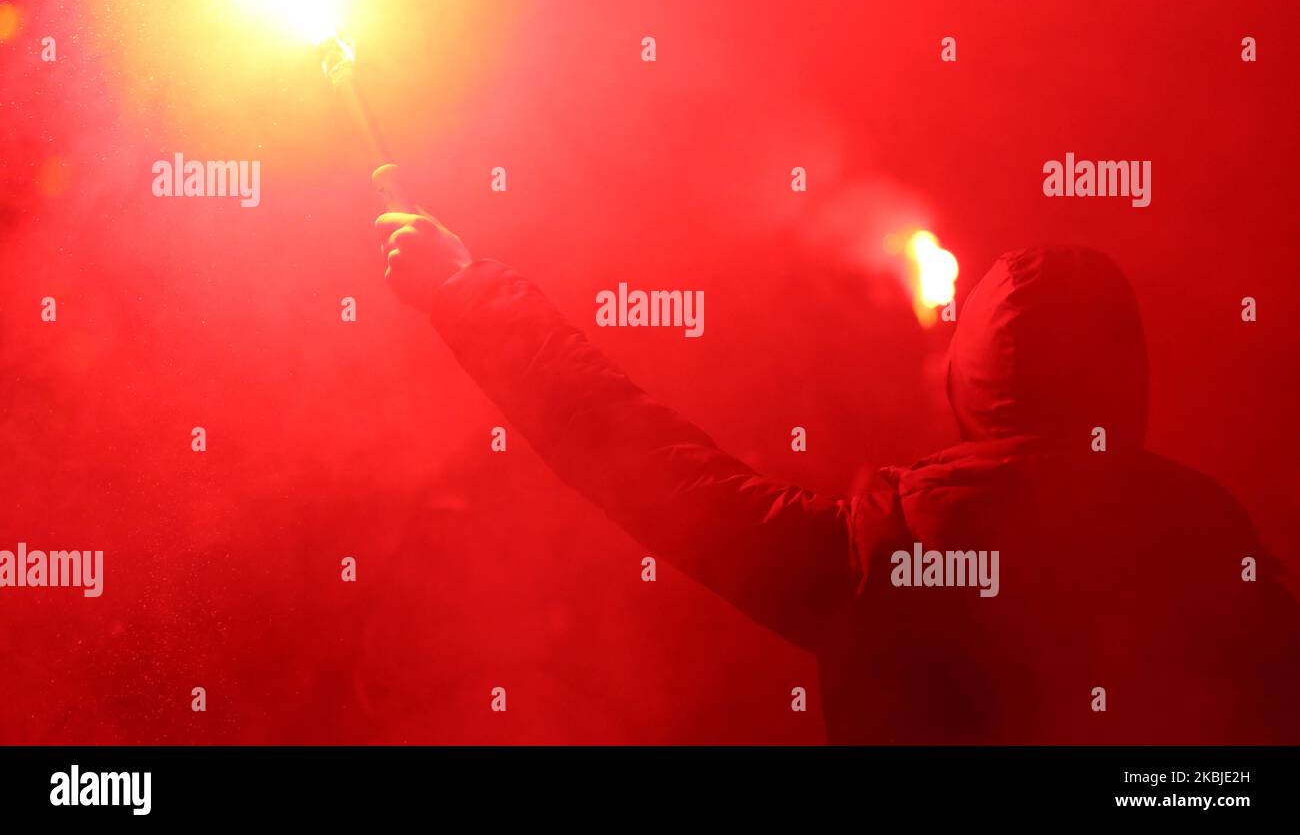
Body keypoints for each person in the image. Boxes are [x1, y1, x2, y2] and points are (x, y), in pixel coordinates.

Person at [375, 209, 1300, 744]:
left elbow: (641, 460)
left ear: (967, 383)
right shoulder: (1224, 551)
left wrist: (466, 292)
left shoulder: (880, 548)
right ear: (1127, 375)